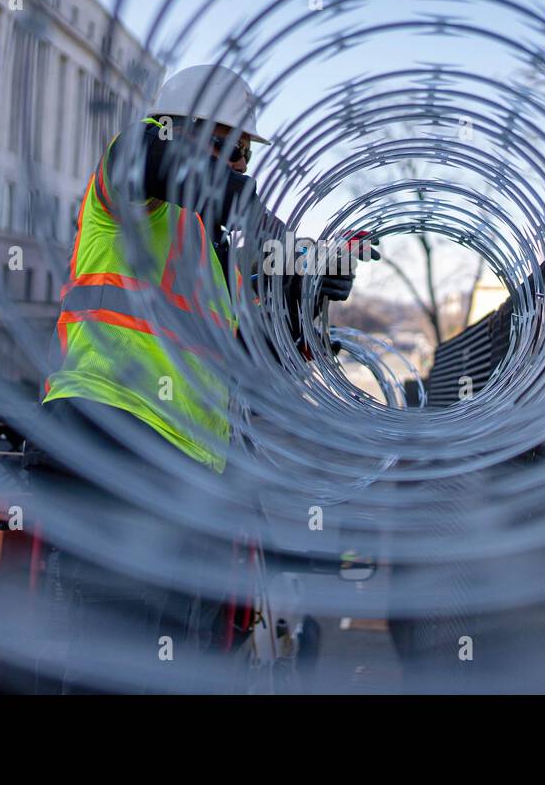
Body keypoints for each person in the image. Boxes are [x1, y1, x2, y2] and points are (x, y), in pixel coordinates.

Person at [25, 64, 358, 692]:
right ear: (180, 129)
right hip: (114, 432)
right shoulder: (134, 167)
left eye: (245, 153)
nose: (240, 165)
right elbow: (182, 174)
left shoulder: (209, 249)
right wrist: (289, 245)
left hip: (190, 470)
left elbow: (255, 358)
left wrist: (307, 290)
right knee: (120, 654)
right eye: (229, 149)